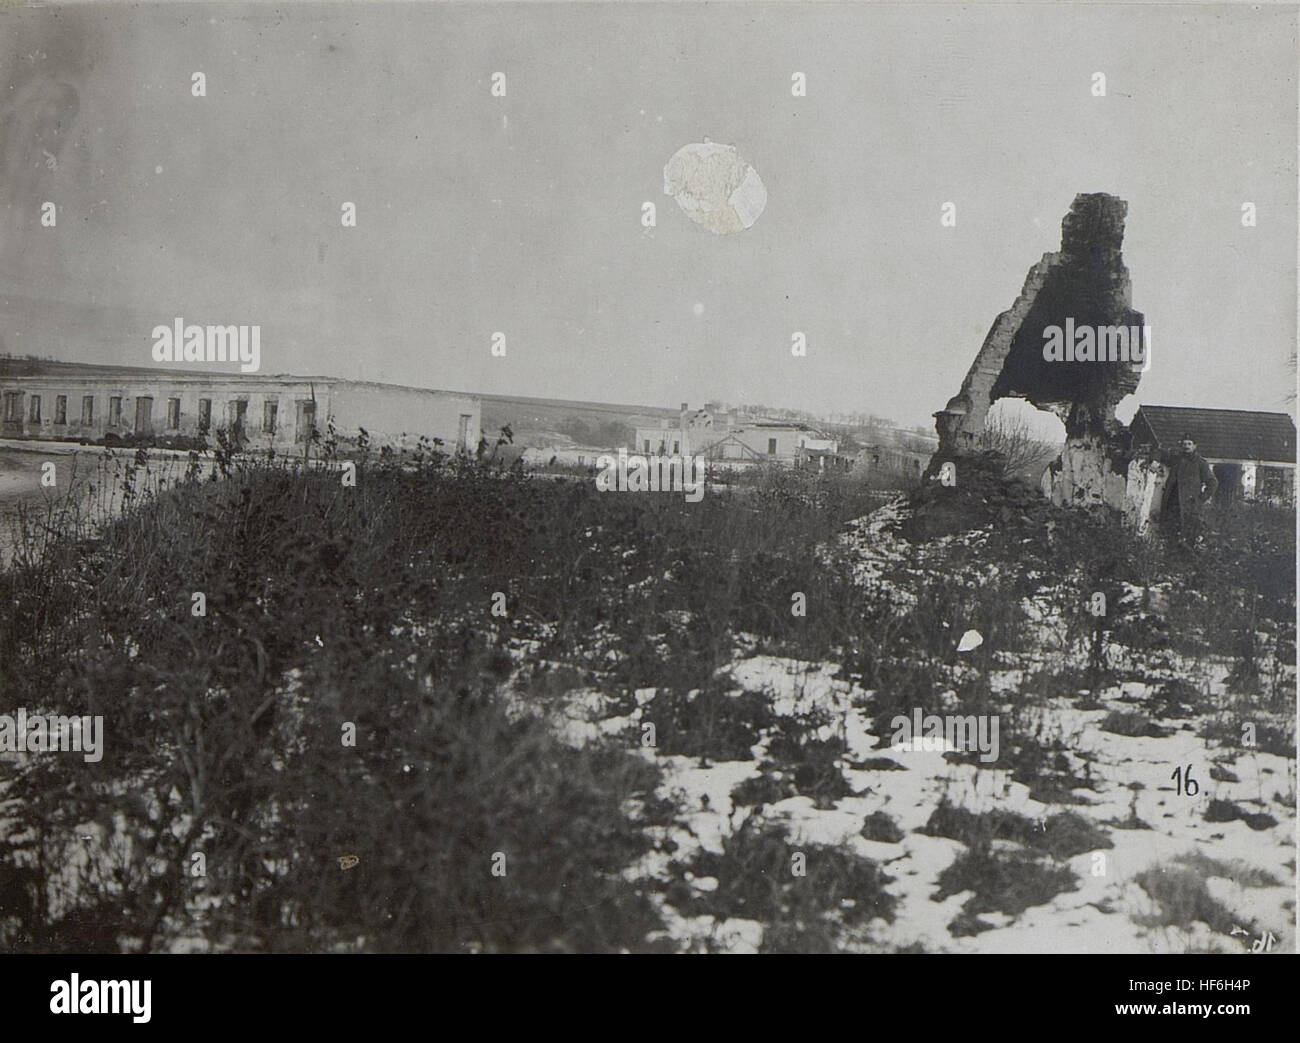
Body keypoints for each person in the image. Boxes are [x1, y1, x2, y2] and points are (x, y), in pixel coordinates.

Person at [1161, 434, 1217, 545]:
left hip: (1190, 505)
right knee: (1171, 534)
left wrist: (1201, 498)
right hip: (1173, 503)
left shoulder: (1200, 463)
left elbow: (1212, 482)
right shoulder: (1176, 460)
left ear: (1194, 446)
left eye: (1189, 444)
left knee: (1190, 534)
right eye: (1184, 444)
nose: (1186, 446)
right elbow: (1159, 453)